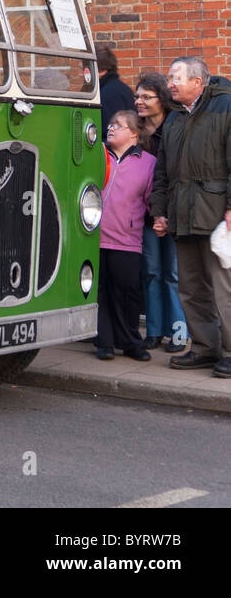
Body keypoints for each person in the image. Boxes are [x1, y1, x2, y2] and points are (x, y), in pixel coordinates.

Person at [150, 56, 231, 377]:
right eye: (170, 78)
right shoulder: (174, 119)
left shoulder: (225, 109)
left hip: (217, 218)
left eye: (175, 78)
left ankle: (229, 350)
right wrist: (160, 211)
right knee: (192, 288)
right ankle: (204, 348)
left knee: (224, 290)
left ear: (198, 82)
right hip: (182, 216)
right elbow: (162, 172)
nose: (169, 83)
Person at [95, 110, 156, 361]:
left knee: (127, 292)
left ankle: (130, 342)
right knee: (100, 291)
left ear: (133, 133)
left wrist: (162, 217)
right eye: (110, 125)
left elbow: (152, 198)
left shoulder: (148, 162)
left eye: (118, 125)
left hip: (127, 240)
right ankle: (104, 342)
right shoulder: (97, 155)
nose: (110, 128)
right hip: (94, 237)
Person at [134, 72, 187, 351]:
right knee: (152, 272)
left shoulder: (178, 125)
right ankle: (153, 331)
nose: (139, 102)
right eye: (137, 96)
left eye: (145, 97)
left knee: (174, 275)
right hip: (147, 215)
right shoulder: (137, 131)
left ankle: (178, 332)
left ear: (161, 99)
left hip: (175, 212)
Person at [97, 44, 135, 129]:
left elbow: (110, 131)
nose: (80, 74)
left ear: (101, 70)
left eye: (83, 69)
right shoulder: (121, 88)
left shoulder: (108, 94)